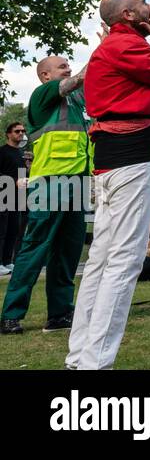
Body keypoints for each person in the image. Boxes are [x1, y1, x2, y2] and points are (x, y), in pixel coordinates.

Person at [67, 0, 150, 370]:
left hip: (113, 162)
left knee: (102, 261)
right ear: (126, 14)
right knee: (122, 263)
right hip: (131, 161)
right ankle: (93, 365)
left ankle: (79, 359)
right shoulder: (126, 45)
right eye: (141, 2)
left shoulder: (119, 45)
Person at [1, 55, 92, 335]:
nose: (68, 68)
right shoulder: (41, 96)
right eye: (61, 66)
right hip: (49, 184)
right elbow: (80, 77)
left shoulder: (78, 102)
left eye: (68, 64)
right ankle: (10, 315)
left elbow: (92, 81)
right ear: (45, 76)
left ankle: (60, 313)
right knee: (35, 249)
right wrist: (105, 49)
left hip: (78, 183)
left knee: (68, 252)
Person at [0, 123, 27, 274]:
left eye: (23, 131)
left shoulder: (22, 153)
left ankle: (7, 261)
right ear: (8, 134)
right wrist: (13, 181)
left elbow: (23, 175)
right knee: (1, 230)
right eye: (17, 131)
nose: (21, 133)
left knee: (13, 230)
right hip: (3, 195)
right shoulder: (2, 152)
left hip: (18, 198)